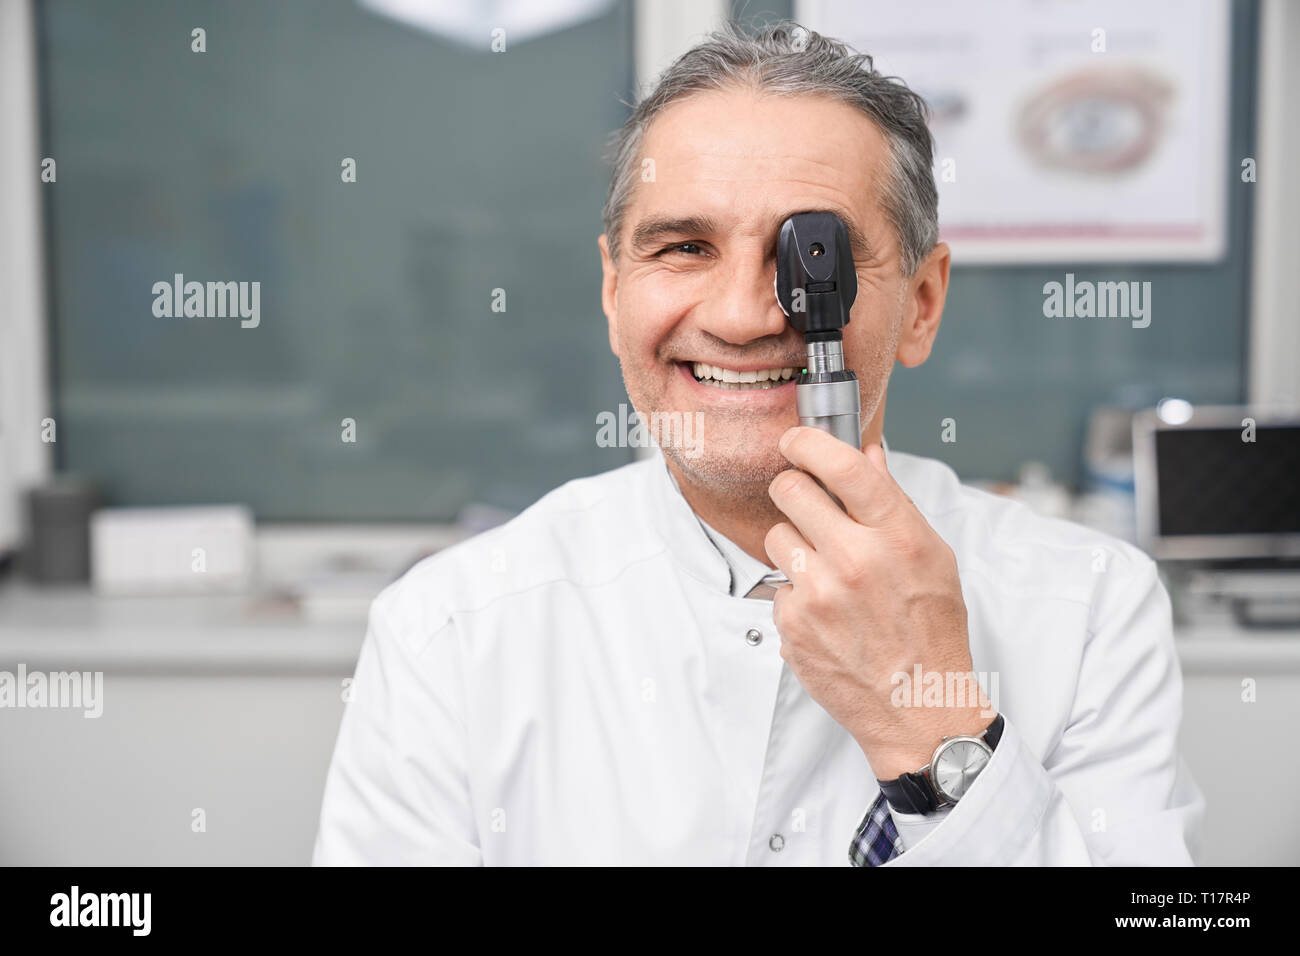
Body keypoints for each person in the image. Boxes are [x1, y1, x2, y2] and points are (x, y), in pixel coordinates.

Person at [312, 22, 1203, 866]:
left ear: (922, 304)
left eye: (809, 253)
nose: (743, 316)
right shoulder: (450, 631)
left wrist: (929, 733)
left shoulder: (1090, 613)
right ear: (614, 287)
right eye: (685, 247)